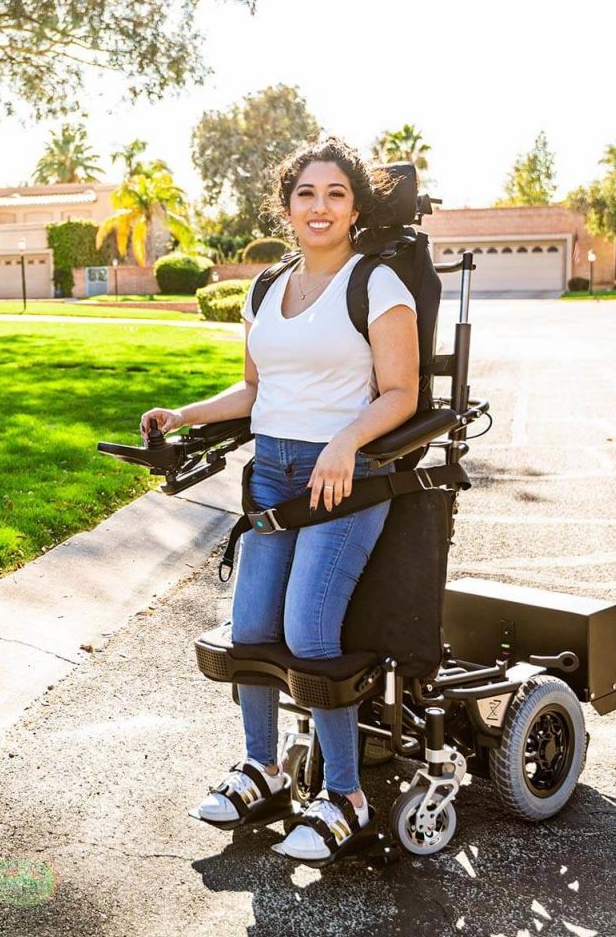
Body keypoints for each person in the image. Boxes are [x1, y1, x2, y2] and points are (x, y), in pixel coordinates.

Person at [138, 137, 419, 863]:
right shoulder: (265, 288)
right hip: (271, 476)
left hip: (344, 481)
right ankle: (263, 768)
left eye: (335, 193)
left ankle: (347, 795)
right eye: (306, 194)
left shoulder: (377, 284)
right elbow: (257, 391)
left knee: (308, 632)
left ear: (355, 206)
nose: (319, 207)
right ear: (287, 206)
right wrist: (185, 414)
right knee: (250, 631)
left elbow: (402, 393)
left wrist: (346, 441)